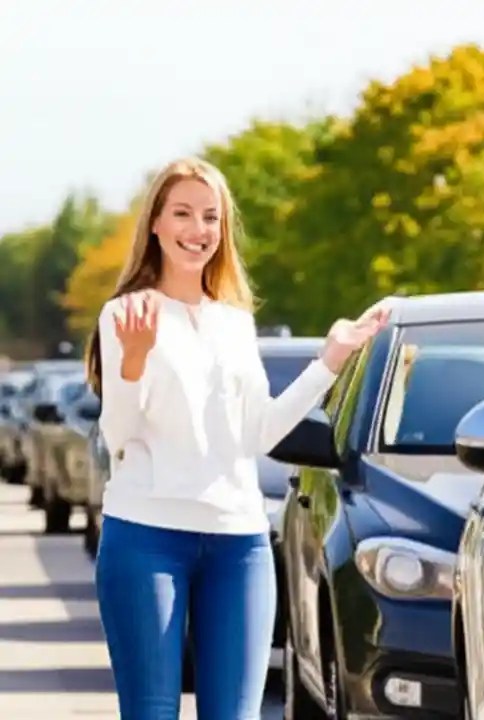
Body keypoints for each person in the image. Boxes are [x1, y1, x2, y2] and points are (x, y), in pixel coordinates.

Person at [84, 157, 388, 719]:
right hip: (147, 537)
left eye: (210, 217)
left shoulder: (234, 322)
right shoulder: (127, 313)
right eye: (182, 214)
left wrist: (331, 359)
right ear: (155, 222)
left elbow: (263, 433)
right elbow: (119, 436)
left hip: (238, 542)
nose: (197, 231)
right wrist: (131, 362)